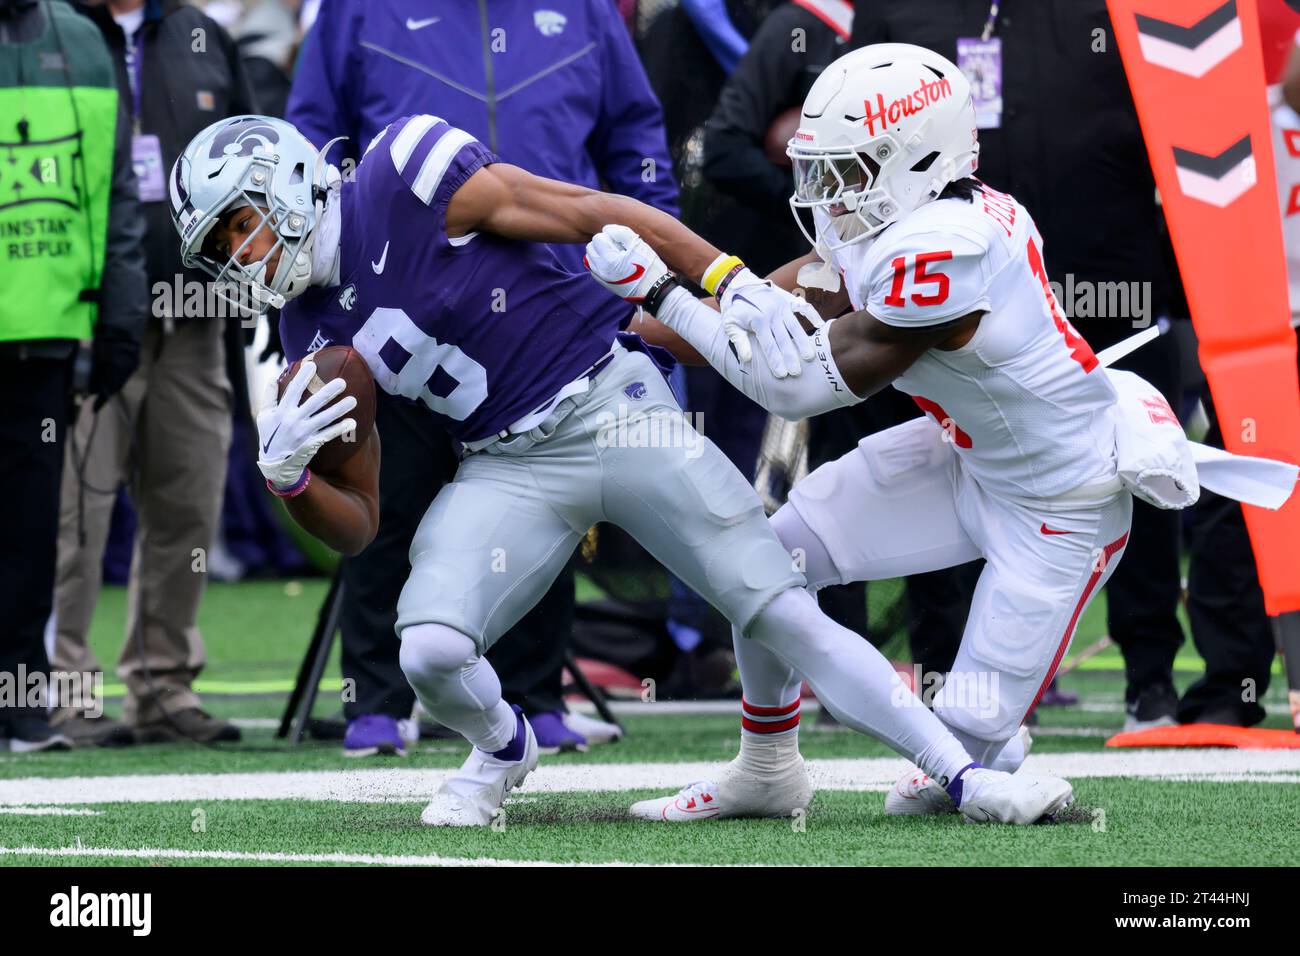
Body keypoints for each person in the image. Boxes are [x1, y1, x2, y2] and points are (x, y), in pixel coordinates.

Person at [168, 111, 1075, 828]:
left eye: (240, 229)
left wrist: (723, 279)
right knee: (431, 651)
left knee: (779, 608)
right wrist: (288, 481)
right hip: (506, 464)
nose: (238, 260)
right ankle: (502, 748)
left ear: (287, 180)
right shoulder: (305, 340)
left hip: (616, 406)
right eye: (220, 252)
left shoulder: (405, 171)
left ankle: (956, 771)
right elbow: (360, 524)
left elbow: (592, 212)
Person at [585, 43, 1143, 819]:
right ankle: (766, 765)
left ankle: (996, 742)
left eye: (849, 170)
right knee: (774, 558)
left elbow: (797, 387)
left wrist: (664, 296)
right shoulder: (906, 220)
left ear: (919, 160)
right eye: (821, 169)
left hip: (1062, 502)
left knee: (935, 783)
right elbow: (784, 294)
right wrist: (623, 321)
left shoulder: (950, 247)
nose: (827, 193)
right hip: (966, 459)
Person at [282, 0, 677, 755]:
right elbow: (310, 132)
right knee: (391, 488)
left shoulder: (585, 9)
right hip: (393, 294)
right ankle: (377, 697)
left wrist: (650, 247)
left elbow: (632, 130)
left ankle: (535, 692)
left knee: (547, 490)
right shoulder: (357, 9)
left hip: (547, 289)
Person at [847, 0, 1188, 732]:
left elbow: (1183, 127)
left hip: (1108, 271)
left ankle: (1150, 678)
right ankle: (947, 671)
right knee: (950, 463)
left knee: (1128, 458)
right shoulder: (896, 8)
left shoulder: (1118, 9)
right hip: (952, 289)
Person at [48, 0, 257, 747]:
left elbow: (254, 176)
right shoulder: (45, 32)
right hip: (88, 318)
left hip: (195, 324)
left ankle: (164, 689)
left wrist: (251, 293)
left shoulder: (207, 38)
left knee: (188, 514)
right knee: (73, 522)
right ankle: (64, 696)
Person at [0, 0, 147, 751]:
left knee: (29, 539)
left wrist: (121, 316)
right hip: (44, 336)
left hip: (49, 338)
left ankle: (22, 705)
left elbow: (114, 194)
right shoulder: (83, 40)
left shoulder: (84, 41)